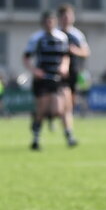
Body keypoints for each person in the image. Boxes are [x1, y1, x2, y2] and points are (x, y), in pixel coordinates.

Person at [23, 11, 71, 150]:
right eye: (46, 21)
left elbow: (65, 55)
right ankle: (35, 140)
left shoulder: (61, 38)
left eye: (51, 21)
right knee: (41, 109)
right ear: (43, 23)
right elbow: (26, 58)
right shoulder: (36, 38)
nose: (49, 24)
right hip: (42, 78)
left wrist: (64, 66)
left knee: (57, 109)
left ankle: (51, 122)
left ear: (55, 22)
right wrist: (35, 71)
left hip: (56, 77)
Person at [57, 4, 90, 139]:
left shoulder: (77, 35)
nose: (67, 19)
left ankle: (65, 125)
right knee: (61, 102)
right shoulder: (56, 34)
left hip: (73, 72)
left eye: (69, 16)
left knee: (71, 103)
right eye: (64, 16)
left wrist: (75, 50)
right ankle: (68, 131)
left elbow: (86, 52)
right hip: (57, 73)